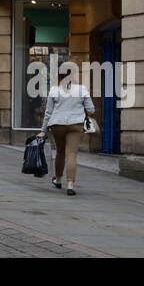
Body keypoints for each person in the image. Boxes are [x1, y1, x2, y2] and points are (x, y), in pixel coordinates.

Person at [41, 63, 97, 196]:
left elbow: (48, 112)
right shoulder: (82, 89)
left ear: (59, 75)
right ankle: (70, 185)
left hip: (57, 124)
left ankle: (58, 180)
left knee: (60, 152)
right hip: (75, 124)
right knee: (71, 154)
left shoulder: (54, 90)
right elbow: (91, 110)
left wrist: (43, 130)